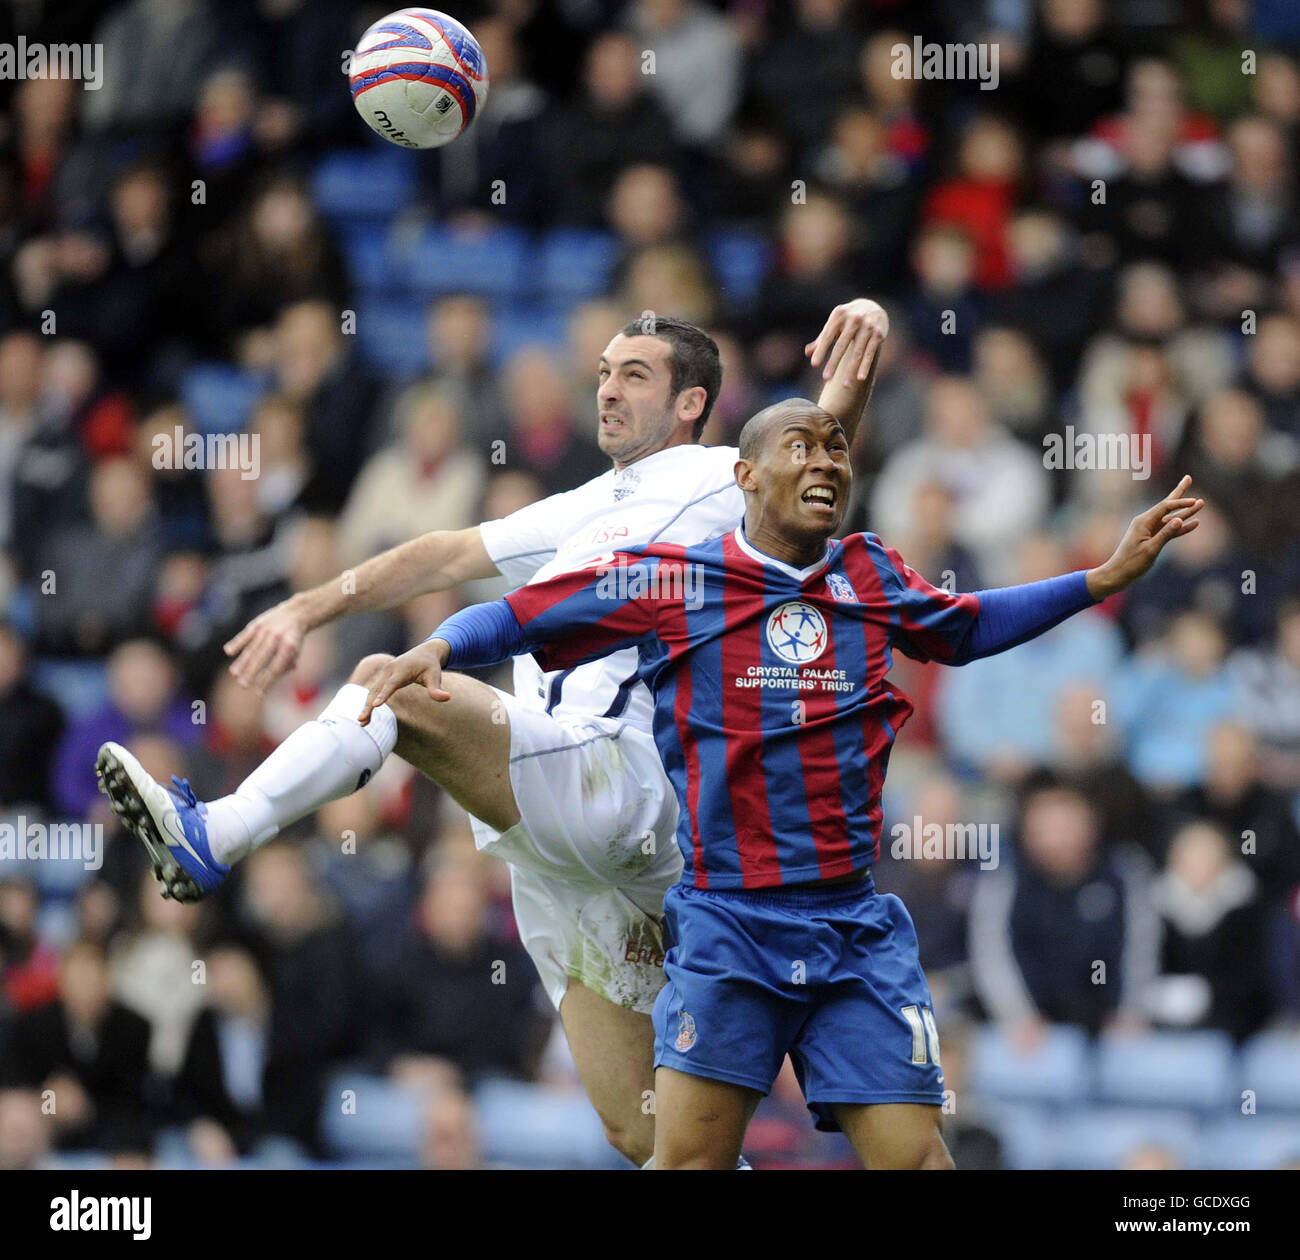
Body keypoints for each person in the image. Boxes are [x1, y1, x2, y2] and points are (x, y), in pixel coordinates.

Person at [93, 299, 888, 1167]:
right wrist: (313, 603)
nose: (608, 390)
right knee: (646, 1132)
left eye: (634, 374)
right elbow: (437, 555)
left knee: (389, 692)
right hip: (567, 850)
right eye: (602, 374)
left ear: (692, 402)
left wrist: (864, 340)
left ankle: (218, 834)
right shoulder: (586, 506)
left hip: (613, 780)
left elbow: (819, 439)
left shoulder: (717, 478)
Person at [369, 404, 1204, 1168]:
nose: (827, 461)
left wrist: (1099, 579)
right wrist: (439, 647)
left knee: (918, 1160)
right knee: (686, 1159)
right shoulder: (671, 579)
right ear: (746, 476)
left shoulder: (871, 576)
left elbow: (972, 624)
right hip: (731, 921)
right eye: (801, 446)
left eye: (838, 448)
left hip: (853, 927)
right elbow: (523, 614)